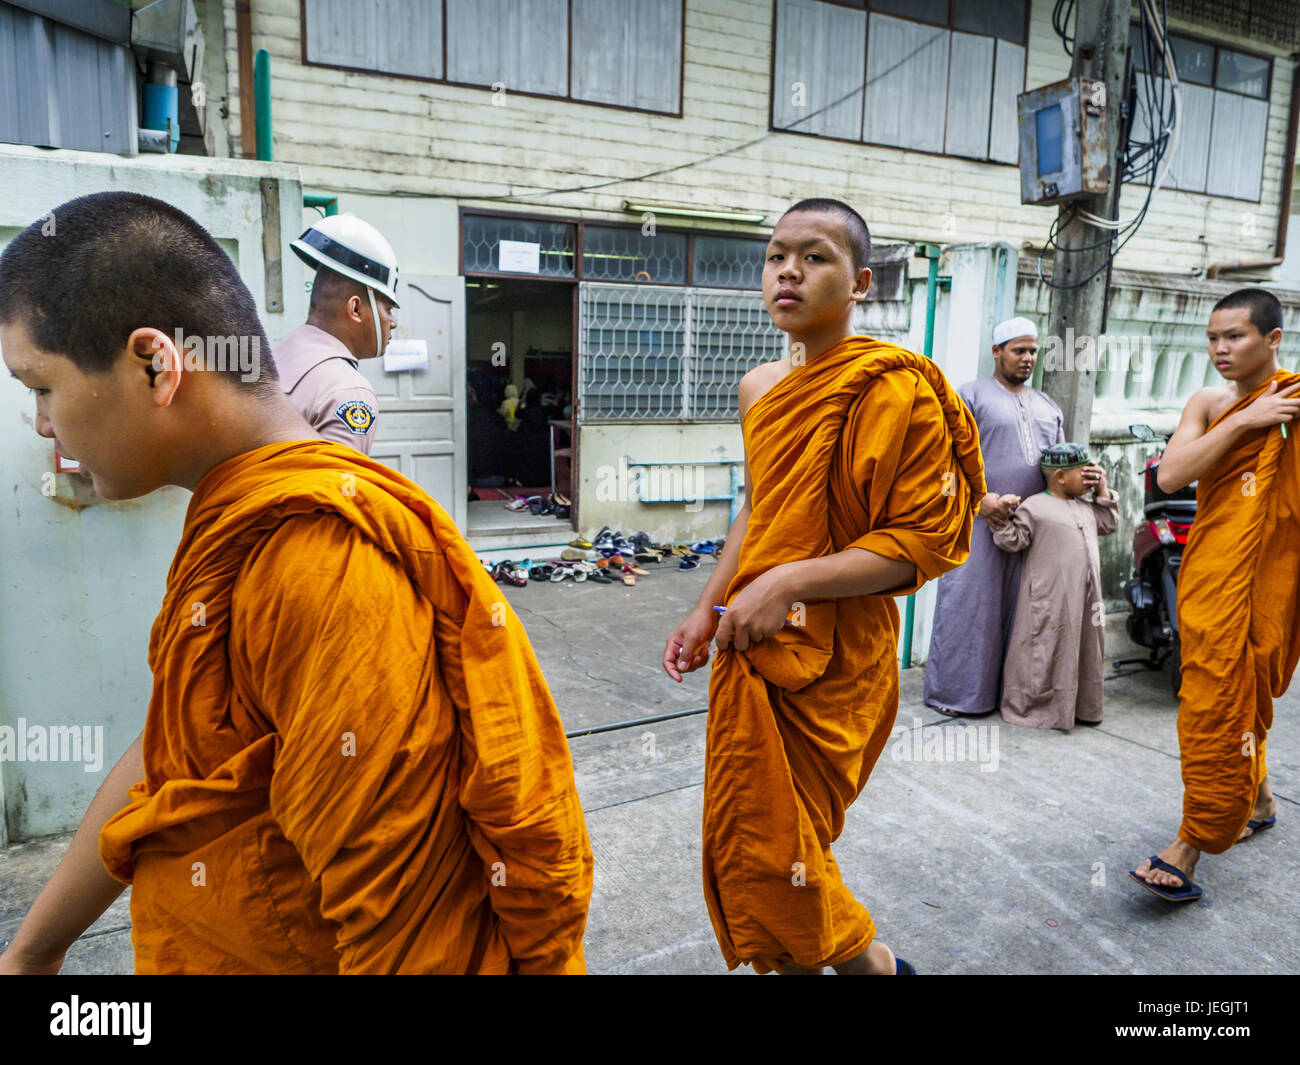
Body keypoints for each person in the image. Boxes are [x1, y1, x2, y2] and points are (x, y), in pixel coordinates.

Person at [0, 192, 592, 973]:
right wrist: (36, 947)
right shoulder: (235, 519)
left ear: (156, 364)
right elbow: (177, 744)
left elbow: (400, 937)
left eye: (41, 387)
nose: (43, 424)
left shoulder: (322, 565)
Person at [662, 198, 986, 974]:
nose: (788, 271)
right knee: (765, 838)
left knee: (787, 847)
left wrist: (792, 579)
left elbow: (923, 546)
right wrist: (708, 606)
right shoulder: (758, 388)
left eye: (815, 257)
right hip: (755, 643)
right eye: (777, 256)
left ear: (861, 281)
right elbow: (760, 509)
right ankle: (869, 967)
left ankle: (864, 964)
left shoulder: (893, 387)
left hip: (841, 657)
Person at [1131, 287, 1300, 903]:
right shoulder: (1210, 402)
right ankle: (1194, 837)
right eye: (1212, 338)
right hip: (1216, 568)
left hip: (1276, 577)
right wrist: (1249, 422)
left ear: (1272, 340)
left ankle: (1253, 797)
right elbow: (1172, 474)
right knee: (1215, 693)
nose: (1220, 349)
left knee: (1248, 686)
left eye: (1235, 336)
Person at [925, 317, 1065, 717]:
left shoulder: (1046, 405)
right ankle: (955, 695)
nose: (1027, 358)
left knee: (1024, 612)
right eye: (1018, 350)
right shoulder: (969, 397)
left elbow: (1057, 469)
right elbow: (941, 461)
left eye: (1033, 351)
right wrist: (981, 501)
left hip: (1028, 528)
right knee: (971, 607)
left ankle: (1012, 696)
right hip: (977, 525)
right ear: (997, 352)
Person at [991, 444, 1118, 730]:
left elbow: (1109, 522)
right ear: (1060, 477)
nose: (1090, 479)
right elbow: (1012, 540)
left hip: (1086, 600)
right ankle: (1036, 709)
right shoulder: (1035, 507)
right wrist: (999, 515)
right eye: (1084, 474)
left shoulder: (1086, 508)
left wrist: (1103, 489)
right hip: (1049, 598)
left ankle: (1081, 708)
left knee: (1086, 648)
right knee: (1043, 650)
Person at [274, 213, 400, 455]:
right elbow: (334, 492)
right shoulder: (348, 391)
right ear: (355, 309)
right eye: (388, 309)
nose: (392, 323)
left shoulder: (271, 358)